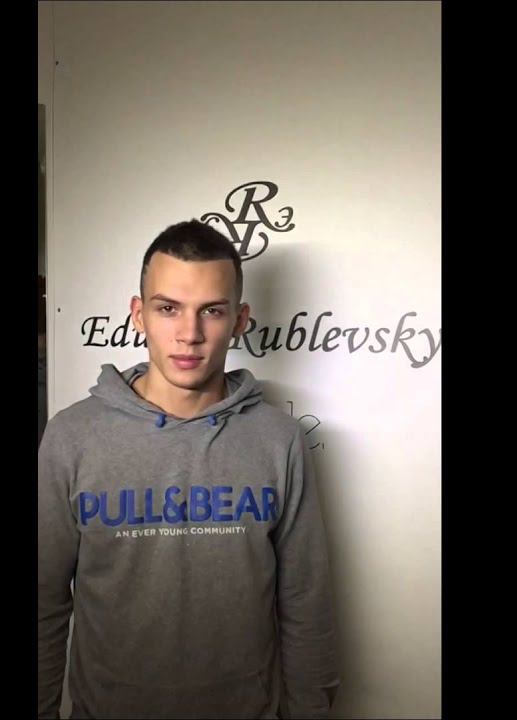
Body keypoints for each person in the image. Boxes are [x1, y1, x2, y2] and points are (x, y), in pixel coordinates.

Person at [38, 220, 340, 719]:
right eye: (168, 308)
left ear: (240, 319)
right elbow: (45, 602)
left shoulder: (279, 439)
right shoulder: (71, 436)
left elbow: (306, 600)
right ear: (139, 315)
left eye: (212, 311)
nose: (189, 334)